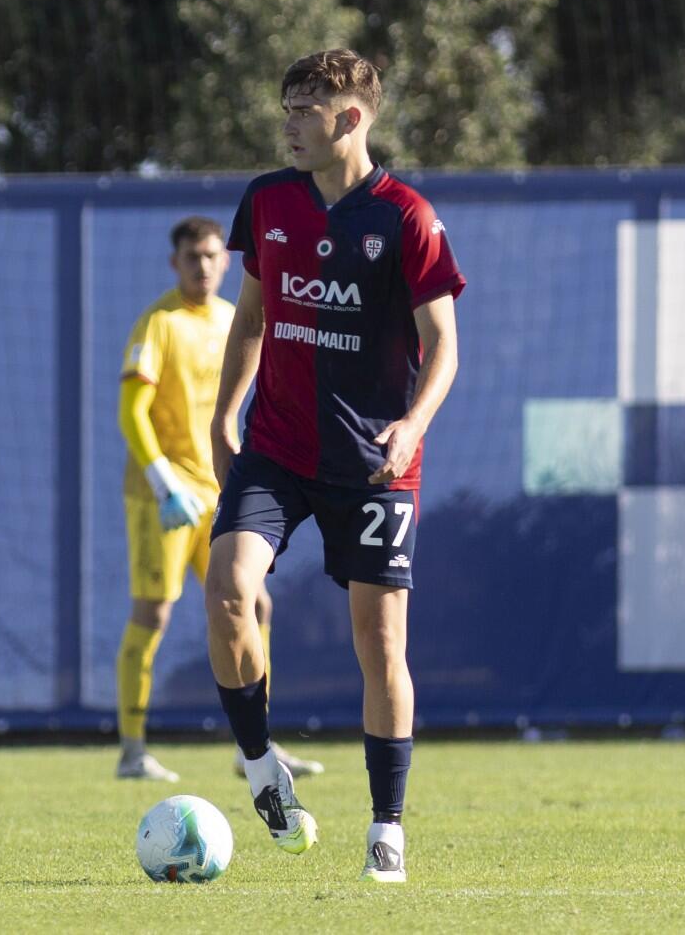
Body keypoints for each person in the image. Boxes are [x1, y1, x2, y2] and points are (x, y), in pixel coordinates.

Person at [205, 49, 464, 883]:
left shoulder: (405, 217)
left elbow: (443, 346)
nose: (287, 125)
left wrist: (412, 425)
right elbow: (251, 319)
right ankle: (261, 770)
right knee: (227, 588)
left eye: (303, 111)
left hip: (372, 462)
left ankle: (386, 827)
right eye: (285, 108)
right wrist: (222, 415)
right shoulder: (267, 200)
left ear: (349, 119)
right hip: (276, 447)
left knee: (379, 645)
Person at [115, 216, 324, 783]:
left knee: (255, 606)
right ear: (175, 262)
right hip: (162, 497)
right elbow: (131, 412)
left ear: (226, 261)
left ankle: (253, 745)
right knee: (154, 613)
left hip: (220, 490)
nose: (202, 266)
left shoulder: (237, 319)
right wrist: (164, 483)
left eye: (211, 255)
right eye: (192, 257)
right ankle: (132, 751)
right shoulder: (159, 323)